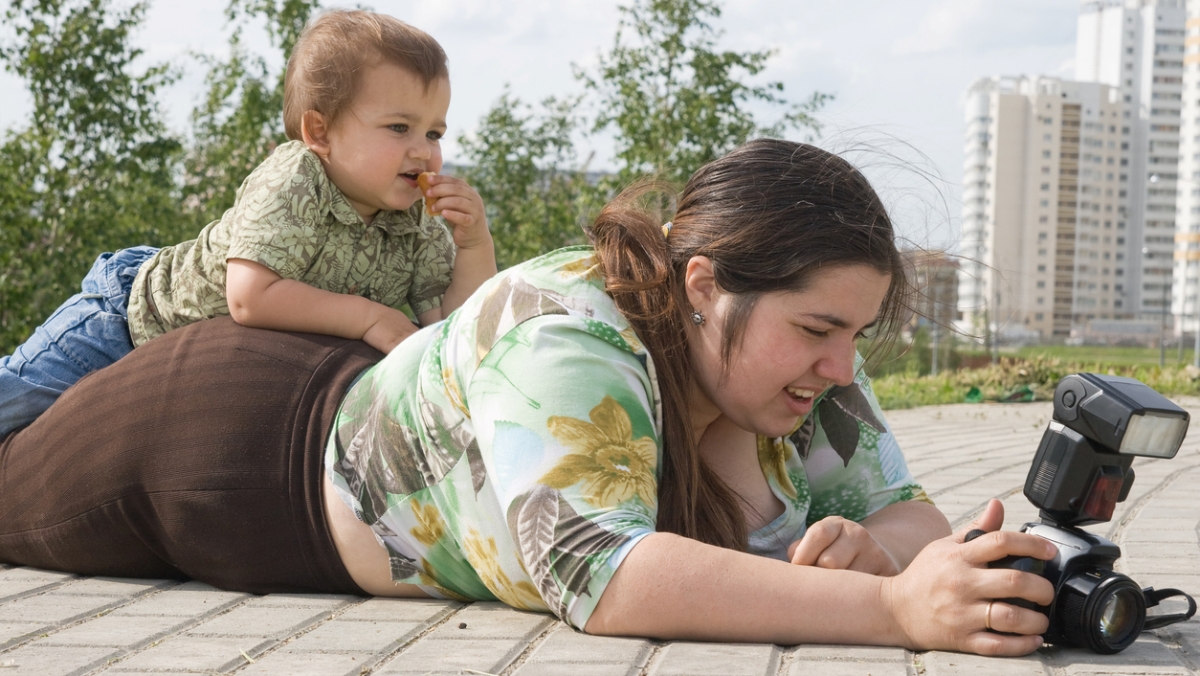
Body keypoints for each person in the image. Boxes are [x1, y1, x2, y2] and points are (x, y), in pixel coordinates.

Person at [0, 139, 1056, 656]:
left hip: (338, 390)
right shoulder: (567, 326)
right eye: (819, 331)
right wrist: (890, 610)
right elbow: (600, 576)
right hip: (225, 446)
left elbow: (906, 511)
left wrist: (892, 552)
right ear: (704, 287)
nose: (842, 368)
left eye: (856, 335)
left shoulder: (806, 365)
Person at [0, 10, 496, 438]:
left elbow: (449, 332)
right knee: (15, 402)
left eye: (434, 133)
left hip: (207, 374)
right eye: (399, 127)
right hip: (132, 319)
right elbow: (249, 295)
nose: (423, 151)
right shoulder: (298, 176)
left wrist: (475, 245)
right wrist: (370, 317)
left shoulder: (416, 219)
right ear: (320, 131)